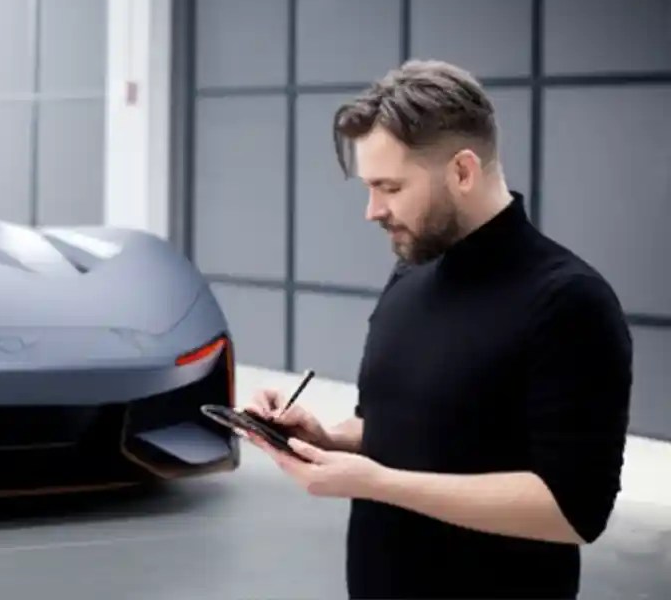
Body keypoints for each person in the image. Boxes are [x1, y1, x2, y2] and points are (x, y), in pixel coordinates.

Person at [242, 59, 633, 599]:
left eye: (390, 187)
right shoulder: (411, 274)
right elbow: (418, 428)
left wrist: (379, 484)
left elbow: (572, 511)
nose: (372, 210)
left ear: (463, 172)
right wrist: (330, 439)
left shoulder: (569, 303)